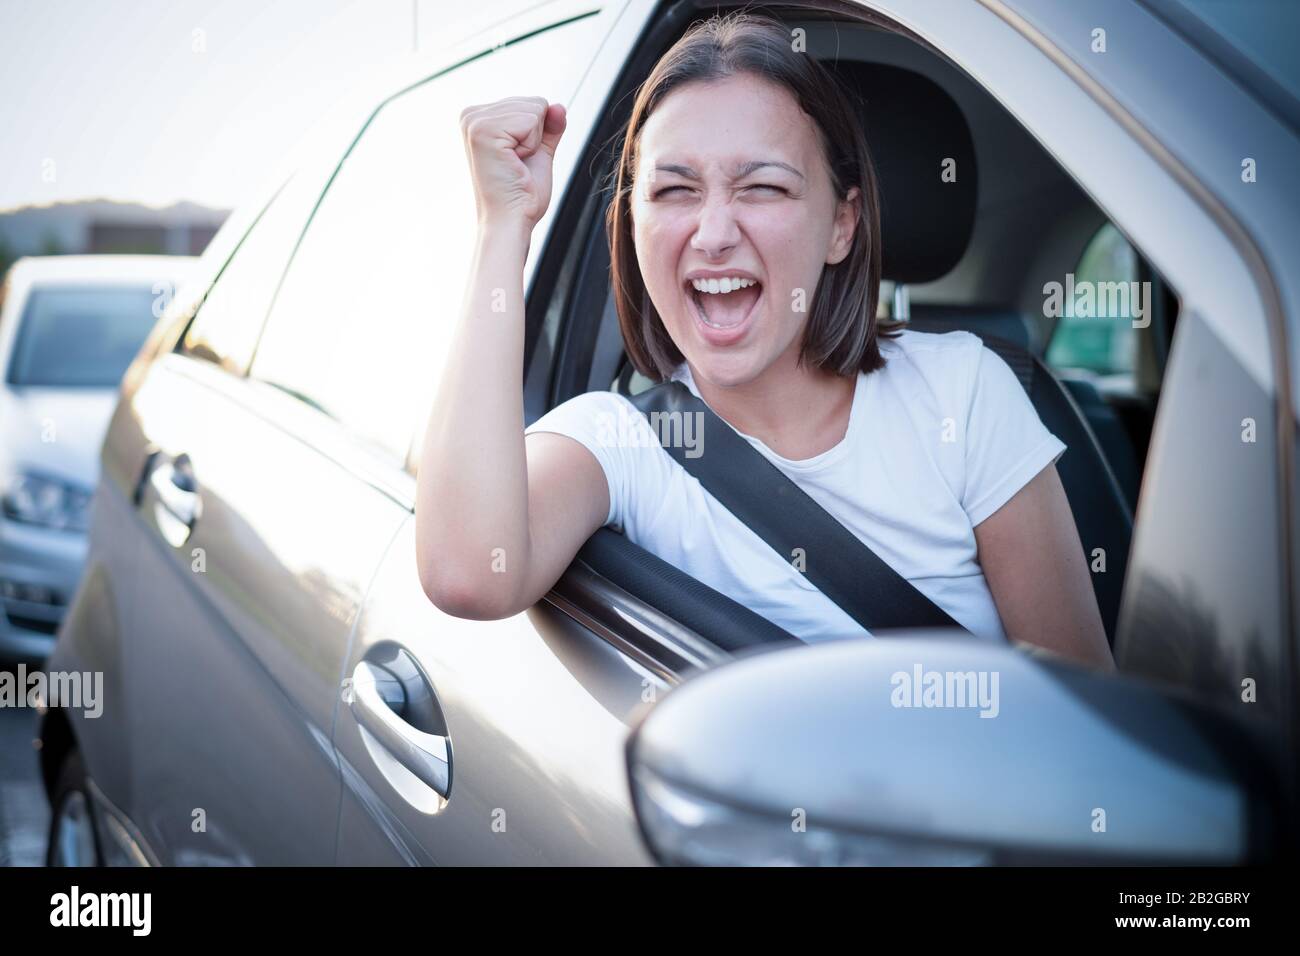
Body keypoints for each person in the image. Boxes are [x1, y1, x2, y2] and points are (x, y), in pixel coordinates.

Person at [416, 11, 1115, 671]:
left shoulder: (963, 391)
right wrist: (502, 225)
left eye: (763, 188)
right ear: (631, 224)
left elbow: (1088, 723)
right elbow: (467, 572)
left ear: (842, 225)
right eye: (674, 191)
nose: (714, 233)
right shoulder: (621, 444)